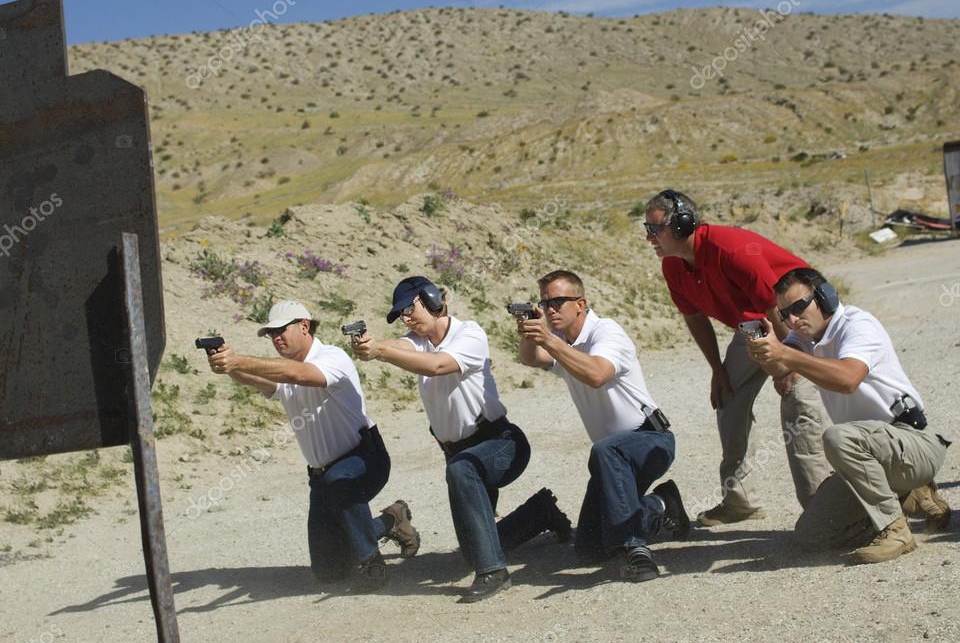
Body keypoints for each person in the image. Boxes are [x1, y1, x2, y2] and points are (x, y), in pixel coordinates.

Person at [352, 276, 571, 603]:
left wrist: (380, 351)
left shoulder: (469, 333)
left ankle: (494, 572)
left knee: (462, 471)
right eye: (401, 315)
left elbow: (439, 365)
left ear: (431, 300)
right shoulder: (419, 341)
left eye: (410, 310)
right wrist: (373, 346)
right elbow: (401, 346)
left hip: (501, 444)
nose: (406, 319)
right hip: (461, 454)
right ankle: (540, 513)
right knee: (473, 550)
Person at [644, 189, 832, 525]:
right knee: (728, 398)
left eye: (655, 229)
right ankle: (740, 501)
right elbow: (694, 317)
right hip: (754, 325)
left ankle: (824, 512)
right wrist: (718, 370)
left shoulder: (732, 249)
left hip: (798, 320)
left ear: (683, 224)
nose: (649, 237)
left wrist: (792, 361)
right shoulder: (673, 265)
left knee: (798, 401)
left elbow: (777, 306)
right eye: (647, 229)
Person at [206, 300, 420, 591]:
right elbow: (262, 380)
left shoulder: (332, 357)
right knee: (329, 570)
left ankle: (372, 564)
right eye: (271, 334)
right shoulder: (283, 371)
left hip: (364, 460)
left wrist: (238, 360)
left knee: (340, 483)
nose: (276, 338)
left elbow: (300, 375)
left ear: (304, 326)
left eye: (281, 330)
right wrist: (227, 366)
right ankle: (391, 520)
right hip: (322, 477)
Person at [746, 268, 952, 563]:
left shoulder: (857, 324)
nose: (792, 319)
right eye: (784, 314)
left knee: (838, 437)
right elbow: (781, 367)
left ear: (825, 297)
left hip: (912, 442)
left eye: (799, 307)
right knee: (813, 535)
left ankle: (895, 530)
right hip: (870, 454)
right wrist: (764, 351)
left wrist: (785, 354)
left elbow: (848, 379)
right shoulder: (806, 336)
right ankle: (912, 497)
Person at [517, 270, 689, 582]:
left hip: (649, 440)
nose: (550, 309)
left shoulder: (606, 332)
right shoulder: (562, 341)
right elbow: (531, 359)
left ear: (580, 304)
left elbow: (597, 374)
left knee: (608, 452)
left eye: (557, 302)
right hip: (611, 460)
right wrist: (530, 334)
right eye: (544, 304)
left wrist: (549, 341)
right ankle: (662, 504)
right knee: (590, 547)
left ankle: (635, 549)